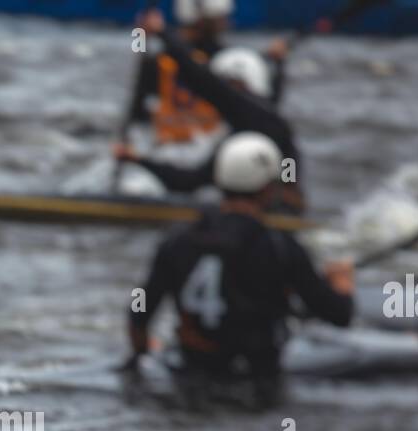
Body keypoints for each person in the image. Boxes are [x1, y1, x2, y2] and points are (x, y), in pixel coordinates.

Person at [126, 132, 353, 406]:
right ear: (268, 189)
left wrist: (142, 351)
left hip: (189, 370)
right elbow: (339, 314)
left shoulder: (177, 240)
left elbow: (139, 311)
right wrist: (341, 282)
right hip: (256, 381)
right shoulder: (280, 247)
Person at [115, 8, 303, 211]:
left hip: (273, 209)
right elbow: (189, 182)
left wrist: (162, 32)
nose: (224, 92)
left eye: (230, 84)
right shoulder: (244, 132)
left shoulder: (259, 118)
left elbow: (200, 78)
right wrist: (138, 160)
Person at [122, 0, 289, 149]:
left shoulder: (228, 62)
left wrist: (274, 64)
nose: (226, 23)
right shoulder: (224, 64)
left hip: (197, 150)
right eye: (219, 19)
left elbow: (260, 112)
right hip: (175, 148)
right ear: (201, 21)